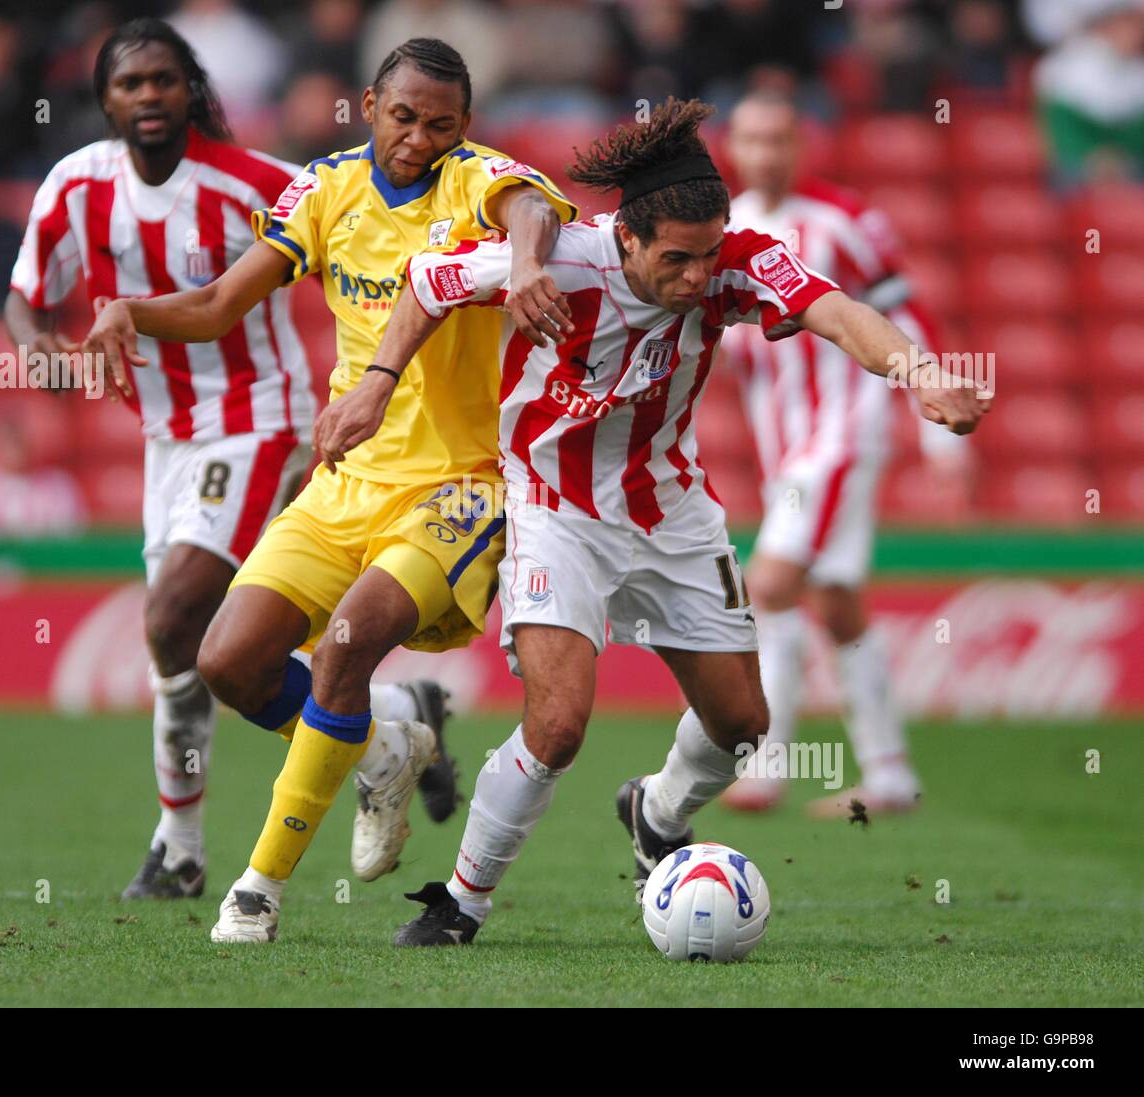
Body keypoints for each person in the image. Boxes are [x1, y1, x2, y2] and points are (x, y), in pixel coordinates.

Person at [314, 97, 988, 947]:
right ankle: (463, 901)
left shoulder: (737, 262)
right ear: (626, 238)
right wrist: (377, 380)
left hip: (674, 515)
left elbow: (836, 311)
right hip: (555, 509)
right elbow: (422, 283)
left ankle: (657, 811)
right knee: (557, 723)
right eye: (678, 259)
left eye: (710, 255)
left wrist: (917, 371)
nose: (701, 277)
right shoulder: (555, 258)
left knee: (745, 725)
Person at [80, 38, 578, 944]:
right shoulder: (325, 188)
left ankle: (255, 891)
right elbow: (222, 303)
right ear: (367, 106)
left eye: (439, 122)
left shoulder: (477, 181)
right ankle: (387, 751)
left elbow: (529, 210)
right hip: (346, 476)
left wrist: (532, 262)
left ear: (462, 125)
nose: (418, 138)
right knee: (228, 661)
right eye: (402, 117)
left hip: (458, 487)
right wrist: (132, 310)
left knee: (345, 645)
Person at [7, 18, 443, 902]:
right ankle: (391, 724)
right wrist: (44, 356)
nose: (150, 97)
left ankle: (181, 843)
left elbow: (355, 218)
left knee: (172, 620)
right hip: (165, 437)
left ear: (191, 88)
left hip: (259, 420)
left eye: (165, 80)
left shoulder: (256, 182)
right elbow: (26, 300)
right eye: (131, 84)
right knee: (185, 645)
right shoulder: (74, 185)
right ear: (107, 100)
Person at [717, 90, 972, 818]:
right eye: (753, 138)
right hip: (785, 447)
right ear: (733, 146)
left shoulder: (846, 221)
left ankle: (765, 766)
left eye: (779, 137)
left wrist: (933, 427)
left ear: (800, 143)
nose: (766, 152)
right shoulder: (726, 225)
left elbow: (905, 309)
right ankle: (890, 773)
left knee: (768, 584)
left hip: (841, 434)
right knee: (836, 603)